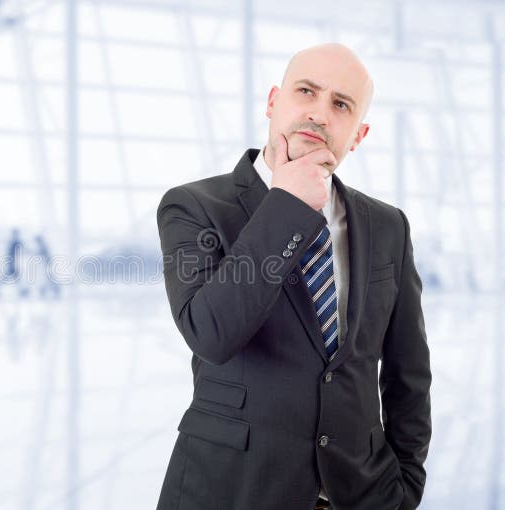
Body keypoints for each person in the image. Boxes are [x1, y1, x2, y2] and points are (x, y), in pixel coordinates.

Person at [155, 43, 431, 510]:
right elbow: (212, 333)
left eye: (341, 104)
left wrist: (405, 489)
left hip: (363, 495)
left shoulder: (388, 226)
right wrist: (285, 204)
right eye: (307, 91)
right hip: (230, 491)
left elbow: (409, 374)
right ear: (272, 102)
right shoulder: (194, 207)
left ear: (358, 134)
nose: (320, 114)